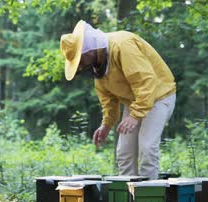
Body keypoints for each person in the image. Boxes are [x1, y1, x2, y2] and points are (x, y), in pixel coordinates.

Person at [60, 20, 176, 180]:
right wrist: (106, 125)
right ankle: (128, 199)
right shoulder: (99, 67)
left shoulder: (122, 45)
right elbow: (109, 101)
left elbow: (145, 81)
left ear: (88, 50)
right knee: (124, 151)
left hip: (158, 95)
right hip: (136, 102)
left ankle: (149, 199)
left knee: (147, 147)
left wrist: (135, 115)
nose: (80, 65)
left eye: (80, 59)